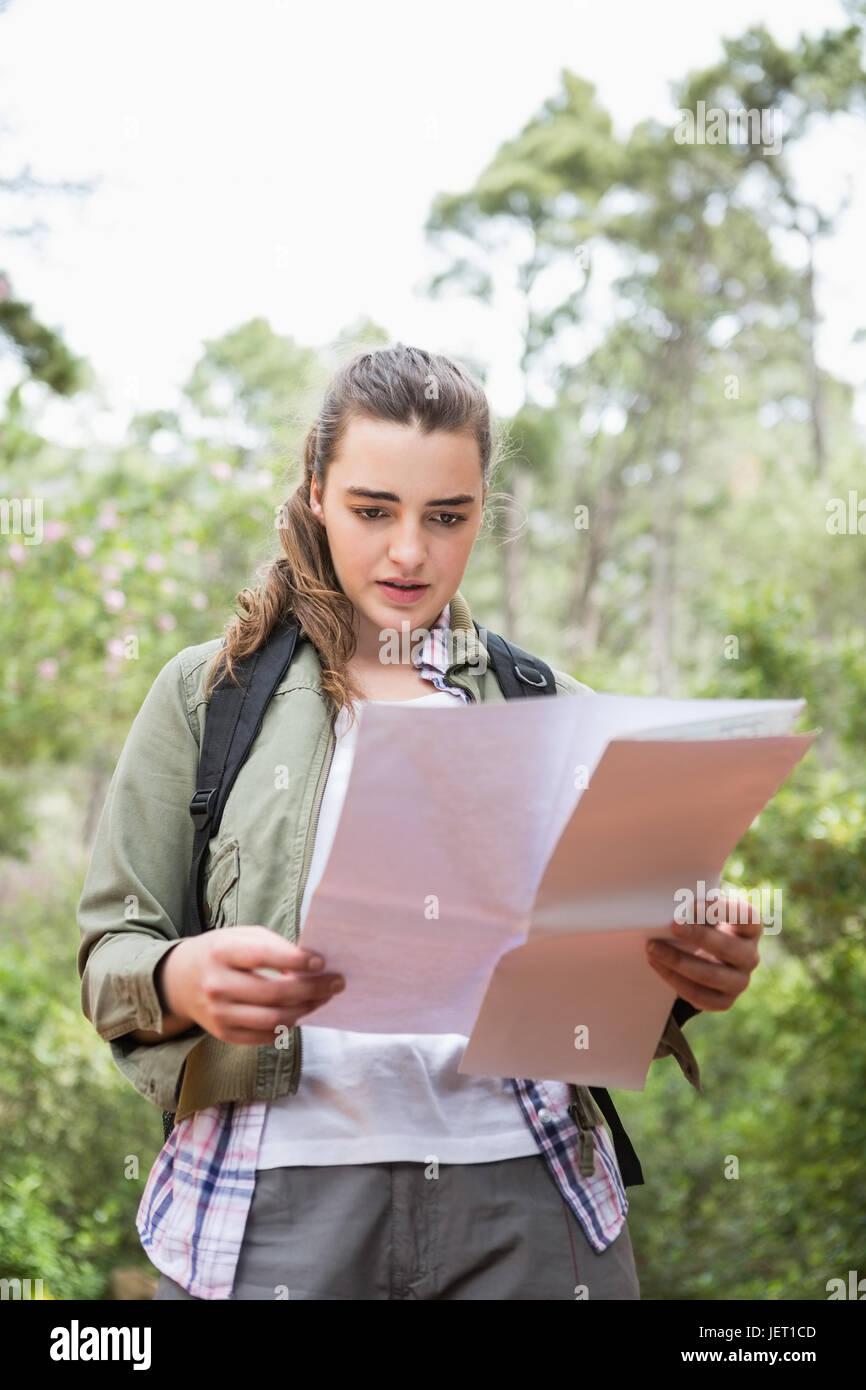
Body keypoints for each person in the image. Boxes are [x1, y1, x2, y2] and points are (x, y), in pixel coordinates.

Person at [76, 343, 761, 1301]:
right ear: (315, 490)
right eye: (373, 510)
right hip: (272, 1209)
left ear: (485, 509)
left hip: (531, 1201)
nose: (410, 552)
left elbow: (605, 984)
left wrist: (691, 974)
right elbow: (111, 957)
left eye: (449, 516)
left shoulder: (545, 706)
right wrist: (180, 977)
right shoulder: (209, 697)